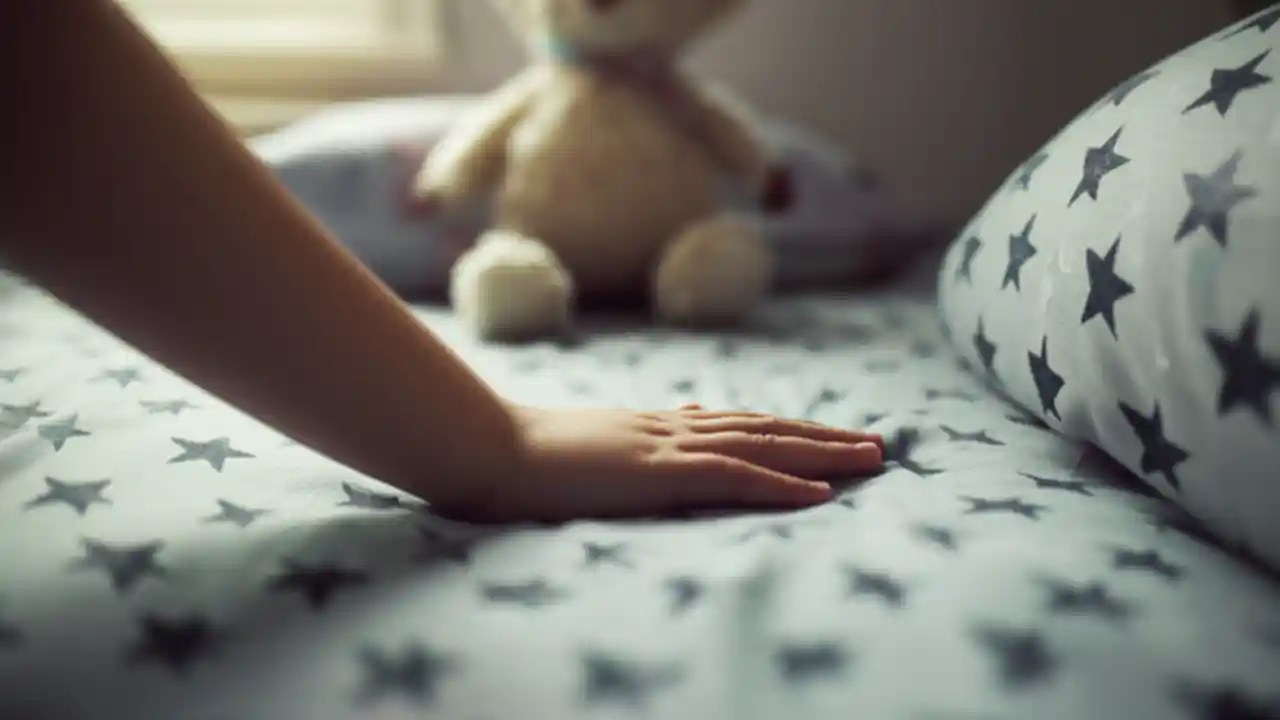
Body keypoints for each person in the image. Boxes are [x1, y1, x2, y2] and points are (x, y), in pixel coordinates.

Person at [0, 0, 883, 523]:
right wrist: (492, 442)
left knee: (716, 248)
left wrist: (496, 442)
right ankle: (524, 271)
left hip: (671, 247)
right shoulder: (539, 88)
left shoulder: (680, 101)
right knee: (510, 261)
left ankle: (695, 271)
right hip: (523, 272)